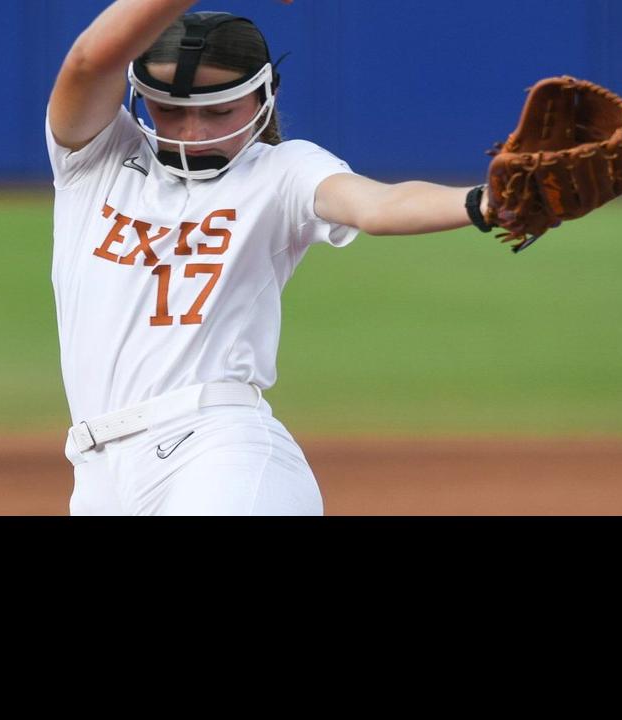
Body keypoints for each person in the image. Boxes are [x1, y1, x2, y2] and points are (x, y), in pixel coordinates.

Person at [48, 0, 499, 515]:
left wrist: (484, 202)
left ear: (265, 96)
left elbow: (379, 204)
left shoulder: (283, 171)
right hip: (98, 475)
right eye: (169, 109)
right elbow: (89, 62)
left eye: (220, 111)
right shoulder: (94, 156)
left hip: (217, 451)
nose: (193, 133)